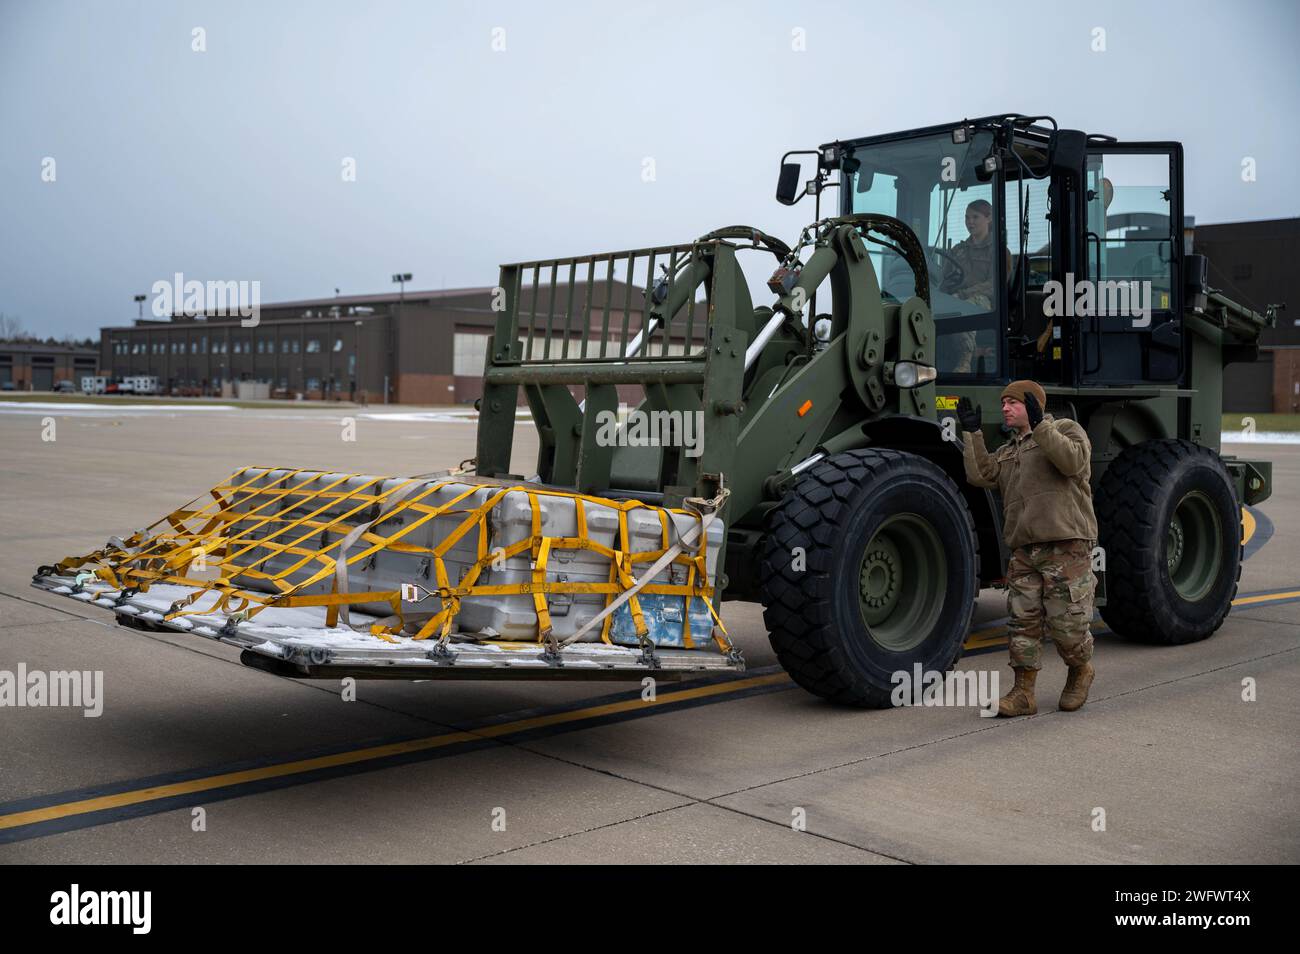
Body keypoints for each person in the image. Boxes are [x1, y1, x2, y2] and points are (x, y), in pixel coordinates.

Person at [956, 380, 1098, 716]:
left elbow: (1073, 463)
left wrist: (1042, 426)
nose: (1004, 408)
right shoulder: (1009, 451)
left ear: (1032, 404)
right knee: (1023, 622)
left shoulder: (1065, 430)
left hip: (1065, 545)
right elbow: (981, 474)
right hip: (1024, 551)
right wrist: (973, 434)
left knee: (1068, 624)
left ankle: (1081, 670)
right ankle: (1023, 693)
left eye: (1012, 403)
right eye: (1003, 403)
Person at [939, 199, 1007, 373]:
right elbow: (944, 280)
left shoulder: (999, 251)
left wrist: (963, 295)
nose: (970, 222)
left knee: (965, 306)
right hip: (956, 299)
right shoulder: (957, 250)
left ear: (989, 218)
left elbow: (995, 284)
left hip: (987, 304)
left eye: (975, 217)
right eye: (967, 217)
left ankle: (965, 360)